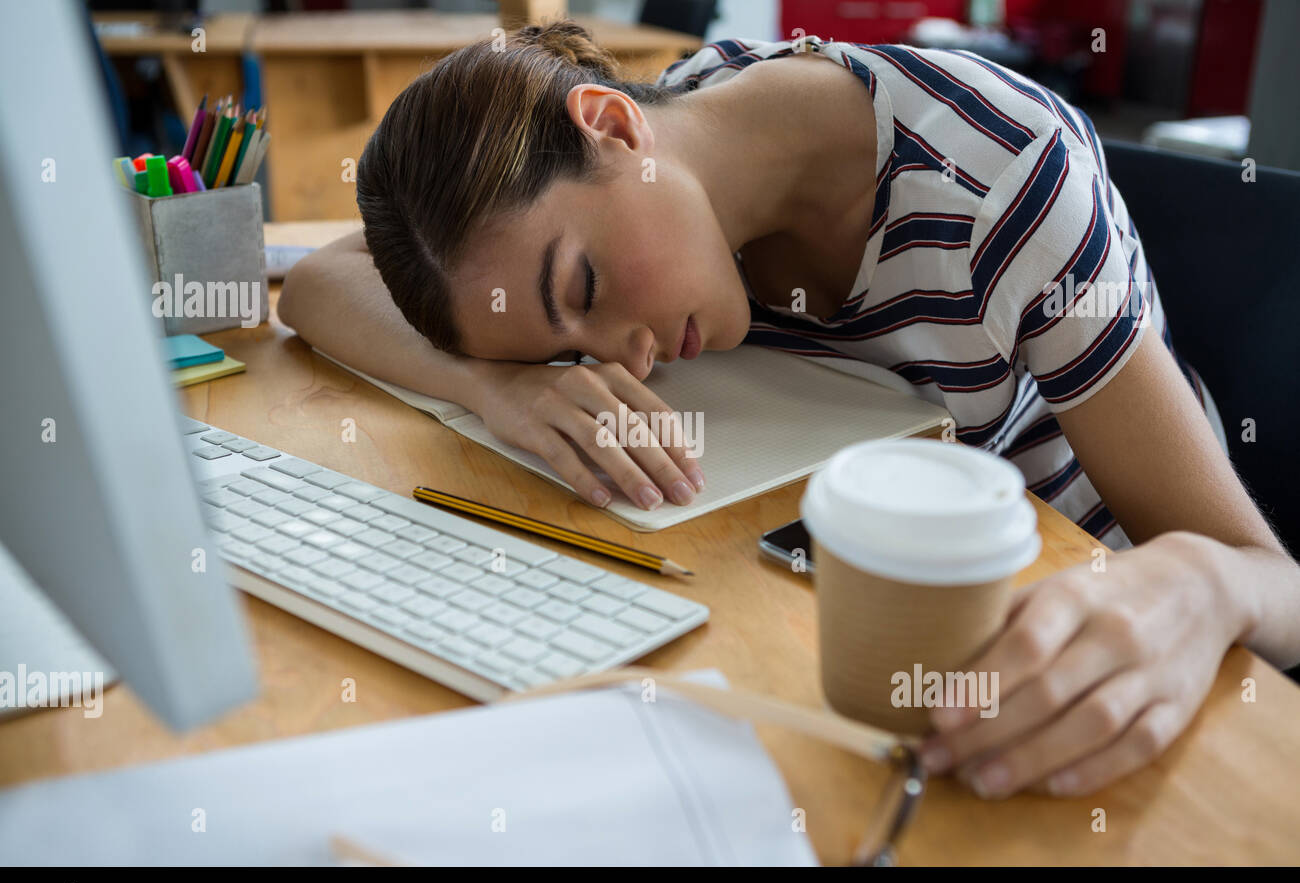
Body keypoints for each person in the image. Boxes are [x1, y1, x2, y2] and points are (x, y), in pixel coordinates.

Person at [278, 21, 1300, 799]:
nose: (623, 361)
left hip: (1076, 652)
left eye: (581, 289)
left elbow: (1272, 582)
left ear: (613, 123)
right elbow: (323, 278)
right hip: (828, 598)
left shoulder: (1003, 184)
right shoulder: (685, 140)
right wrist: (495, 381)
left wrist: (1206, 585)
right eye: (566, 350)